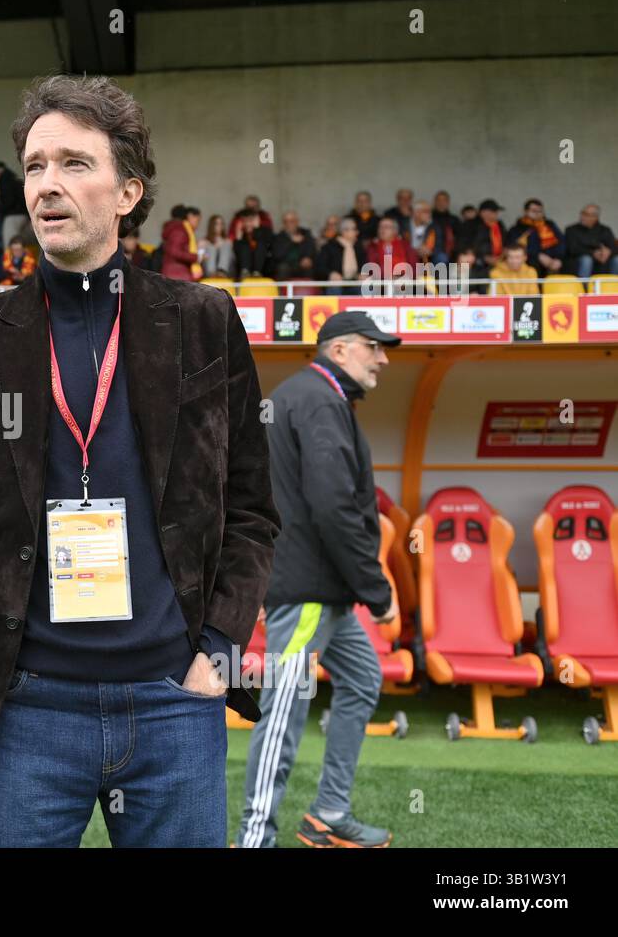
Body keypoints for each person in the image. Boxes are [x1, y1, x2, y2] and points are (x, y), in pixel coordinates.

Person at [0, 73, 279, 849]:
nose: (46, 184)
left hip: (175, 703)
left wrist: (218, 651)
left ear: (129, 191)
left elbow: (252, 510)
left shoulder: (204, 323)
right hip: (21, 710)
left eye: (74, 163)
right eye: (35, 165)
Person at [237, 311, 400, 849]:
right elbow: (334, 508)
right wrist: (377, 592)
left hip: (320, 591)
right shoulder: (317, 399)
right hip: (307, 591)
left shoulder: (313, 397)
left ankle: (328, 813)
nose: (382, 358)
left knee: (362, 678)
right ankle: (255, 837)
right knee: (283, 710)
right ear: (338, 350)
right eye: (372, 347)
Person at [506, 198, 565, 278]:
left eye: (539, 211)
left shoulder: (549, 225)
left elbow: (561, 242)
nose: (537, 214)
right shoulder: (518, 228)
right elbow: (516, 246)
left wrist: (558, 258)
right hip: (531, 260)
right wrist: (538, 256)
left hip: (553, 259)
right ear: (526, 211)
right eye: (534, 211)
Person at [564, 204, 618, 279]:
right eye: (583, 213)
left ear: (595, 217)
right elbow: (572, 249)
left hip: (602, 263)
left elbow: (614, 246)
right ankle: (584, 287)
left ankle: (614, 287)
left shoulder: (605, 230)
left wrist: (608, 251)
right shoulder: (571, 230)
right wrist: (593, 253)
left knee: (616, 260)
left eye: (587, 214)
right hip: (579, 262)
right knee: (587, 259)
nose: (583, 217)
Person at [315, 216, 366, 294]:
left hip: (355, 283)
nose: (357, 232)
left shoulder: (358, 247)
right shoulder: (329, 247)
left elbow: (365, 264)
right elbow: (320, 268)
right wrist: (330, 274)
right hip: (336, 284)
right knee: (334, 287)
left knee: (365, 287)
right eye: (354, 229)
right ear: (344, 231)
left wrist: (362, 274)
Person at [0, 160, 28, 246]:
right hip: (23, 215)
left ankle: (11, 260)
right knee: (18, 243)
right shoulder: (13, 178)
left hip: (13, 216)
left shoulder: (5, 181)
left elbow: (8, 202)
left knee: (10, 244)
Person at [159, 204, 202, 280]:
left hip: (175, 273)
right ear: (188, 216)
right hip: (177, 275)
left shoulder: (177, 229)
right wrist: (196, 257)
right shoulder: (179, 230)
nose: (198, 224)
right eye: (198, 220)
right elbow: (175, 251)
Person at [270, 210, 316, 280]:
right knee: (282, 268)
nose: (289, 224)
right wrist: (291, 242)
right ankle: (280, 291)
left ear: (297, 222)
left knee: (310, 268)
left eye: (292, 221)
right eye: (286, 222)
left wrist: (307, 257)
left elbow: (311, 248)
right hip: (286, 266)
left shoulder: (305, 234)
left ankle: (308, 291)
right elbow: (277, 255)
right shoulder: (278, 237)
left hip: (302, 265)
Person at [234, 207, 274, 278]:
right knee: (244, 246)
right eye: (244, 221)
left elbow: (268, 246)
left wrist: (257, 230)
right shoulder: (241, 234)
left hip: (264, 268)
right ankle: (245, 272)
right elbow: (236, 252)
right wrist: (238, 237)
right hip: (244, 268)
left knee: (261, 244)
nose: (247, 224)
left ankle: (257, 272)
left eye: (250, 221)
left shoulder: (265, 231)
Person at [201, 213, 234, 278]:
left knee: (226, 244)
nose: (220, 226)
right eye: (217, 224)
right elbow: (199, 259)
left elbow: (232, 259)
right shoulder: (203, 241)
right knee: (211, 248)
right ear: (212, 225)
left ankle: (222, 271)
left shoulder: (228, 241)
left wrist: (222, 244)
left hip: (227, 271)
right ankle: (212, 273)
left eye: (221, 224)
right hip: (208, 271)